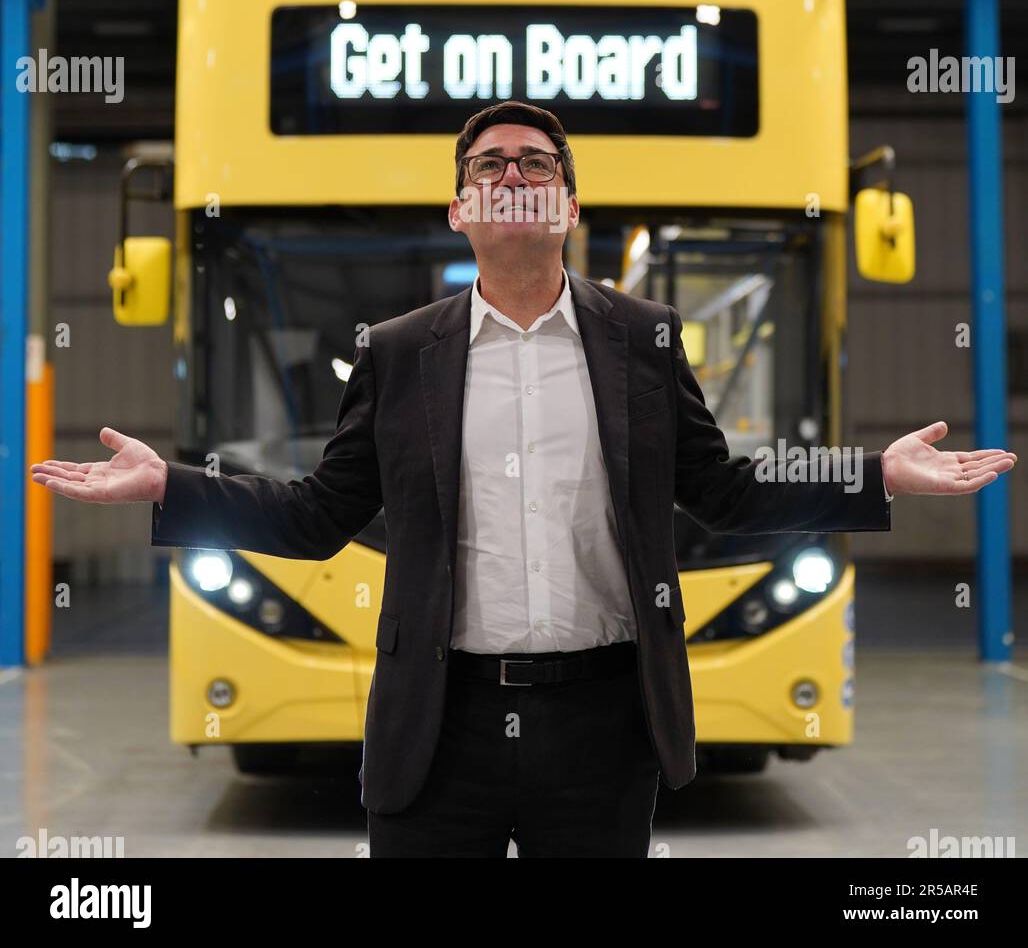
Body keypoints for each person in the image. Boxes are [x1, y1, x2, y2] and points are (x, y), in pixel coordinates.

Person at [32, 100, 1017, 858]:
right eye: (488, 165)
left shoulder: (642, 339)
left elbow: (719, 488)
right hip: (437, 723)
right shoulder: (400, 352)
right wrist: (172, 487)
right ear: (462, 207)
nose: (512, 174)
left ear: (567, 204)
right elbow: (318, 513)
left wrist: (871, 476)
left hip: (601, 722)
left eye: (535, 163)